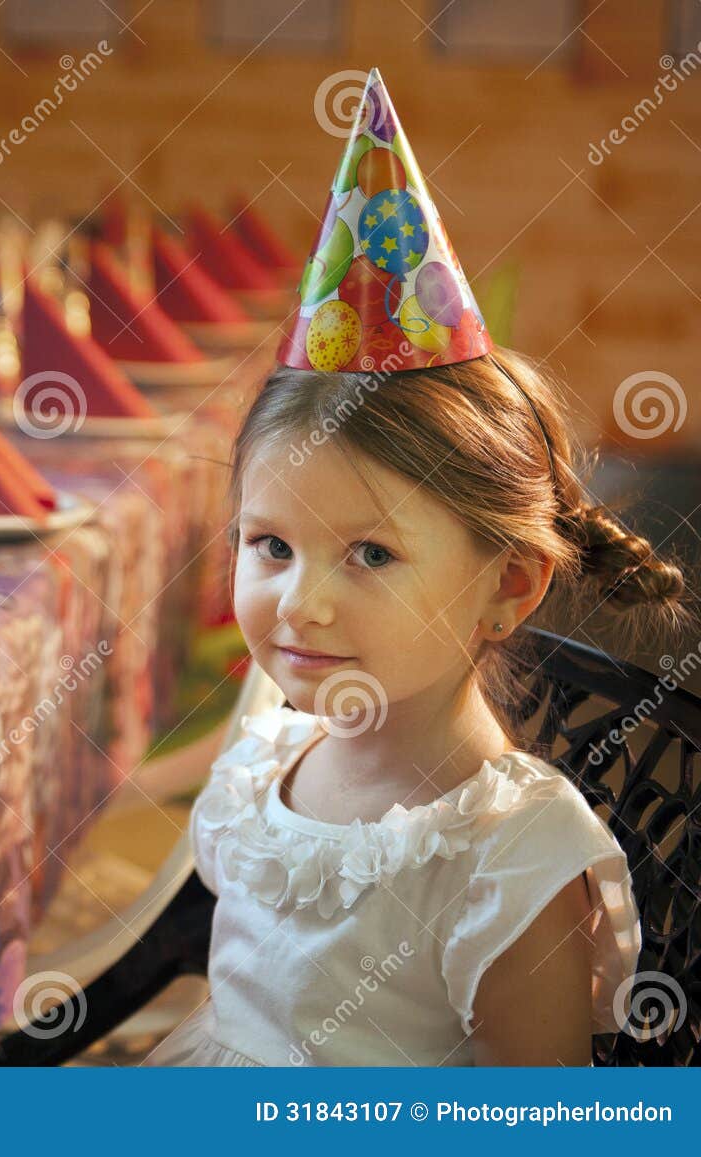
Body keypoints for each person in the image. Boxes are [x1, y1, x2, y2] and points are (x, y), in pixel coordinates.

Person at [146, 69, 688, 1066]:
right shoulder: (266, 763)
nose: (299, 602)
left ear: (507, 584)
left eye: (370, 554)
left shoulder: (509, 856)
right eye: (271, 545)